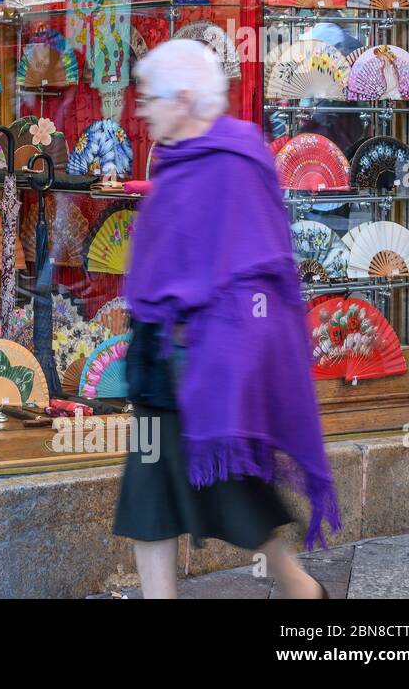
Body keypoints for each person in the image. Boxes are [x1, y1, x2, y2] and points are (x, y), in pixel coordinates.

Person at [113, 39, 340, 599]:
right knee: (147, 489)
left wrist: (220, 344)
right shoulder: (175, 160)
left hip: (205, 366)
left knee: (235, 488)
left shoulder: (233, 162)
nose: (141, 110)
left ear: (185, 98)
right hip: (155, 362)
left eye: (150, 98)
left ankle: (297, 587)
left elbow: (258, 272)